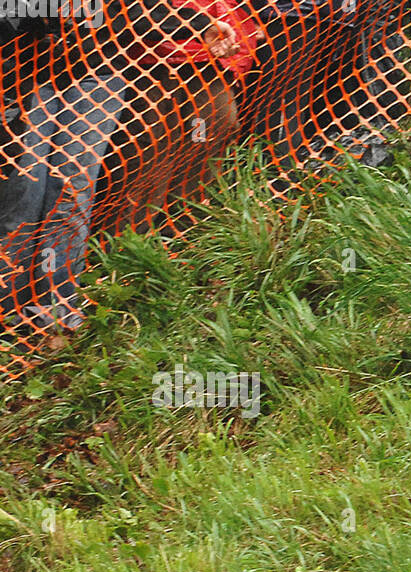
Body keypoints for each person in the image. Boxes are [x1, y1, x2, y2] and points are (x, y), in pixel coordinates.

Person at [0, 2, 262, 331]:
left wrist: (198, 25)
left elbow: (139, 7)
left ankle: (57, 307)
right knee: (25, 189)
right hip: (24, 71)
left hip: (96, 74)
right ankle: (8, 304)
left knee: (70, 190)